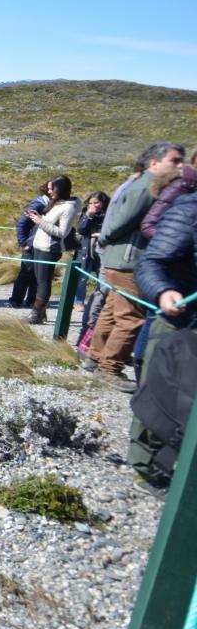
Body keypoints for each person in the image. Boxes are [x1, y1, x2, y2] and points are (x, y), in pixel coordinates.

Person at [86, 142, 186, 389]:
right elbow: (121, 221)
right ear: (154, 163)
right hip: (129, 261)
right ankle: (109, 368)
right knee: (130, 318)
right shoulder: (149, 187)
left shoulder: (143, 184)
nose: (180, 165)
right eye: (174, 160)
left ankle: (94, 358)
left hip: (119, 260)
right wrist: (108, 238)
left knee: (111, 312)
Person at [127, 191, 197, 493]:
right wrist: (163, 291)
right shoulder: (190, 211)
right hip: (180, 323)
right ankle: (150, 468)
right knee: (162, 396)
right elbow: (151, 263)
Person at [24, 175, 80, 324]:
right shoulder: (55, 202)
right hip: (39, 246)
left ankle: (36, 314)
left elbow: (62, 232)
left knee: (43, 282)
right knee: (39, 280)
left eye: (51, 188)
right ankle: (41, 313)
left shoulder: (68, 207)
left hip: (49, 249)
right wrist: (36, 217)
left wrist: (39, 221)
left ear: (60, 189)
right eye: (48, 188)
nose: (49, 191)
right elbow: (48, 222)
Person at [8, 183, 49, 309]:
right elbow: (21, 224)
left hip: (41, 245)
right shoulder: (38, 205)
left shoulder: (49, 205)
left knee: (37, 274)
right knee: (26, 272)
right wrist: (24, 243)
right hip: (31, 245)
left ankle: (31, 300)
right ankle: (15, 300)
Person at [74, 191, 109, 307]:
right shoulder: (86, 212)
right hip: (86, 249)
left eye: (96, 202)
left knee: (102, 278)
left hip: (104, 250)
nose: (93, 205)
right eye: (90, 203)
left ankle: (100, 303)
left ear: (103, 202)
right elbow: (81, 230)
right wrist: (89, 215)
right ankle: (79, 302)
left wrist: (100, 235)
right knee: (82, 277)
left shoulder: (111, 213)